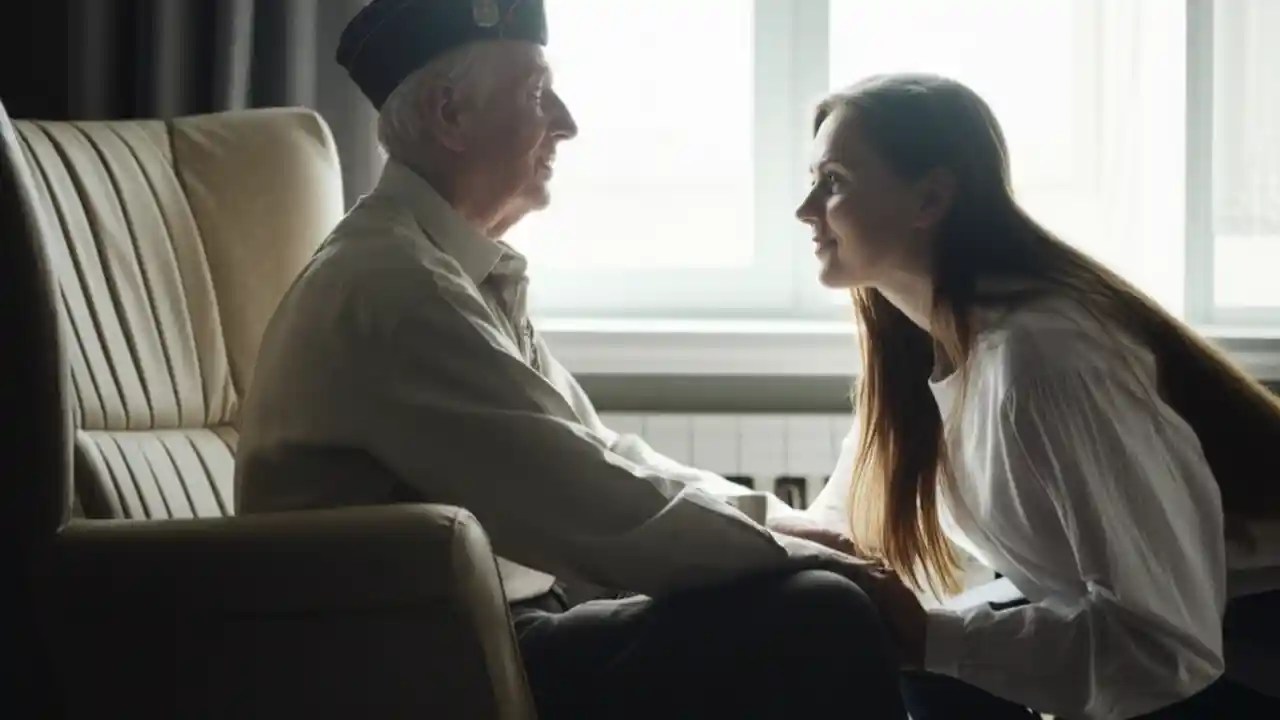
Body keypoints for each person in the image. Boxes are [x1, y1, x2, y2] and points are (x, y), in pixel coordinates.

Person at [235, 1, 905, 717]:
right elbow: (594, 502)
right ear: (448, 115)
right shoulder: (395, 290)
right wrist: (807, 555)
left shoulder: (437, 264)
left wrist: (782, 524)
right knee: (822, 612)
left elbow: (601, 454)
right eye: (535, 93)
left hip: (489, 634)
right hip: (422, 665)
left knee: (813, 595)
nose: (566, 121)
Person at [796, 73, 1280, 719]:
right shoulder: (922, 350)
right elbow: (843, 526)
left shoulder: (1044, 362)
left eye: (834, 183)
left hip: (1245, 648)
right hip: (1199, 636)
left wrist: (931, 639)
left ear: (930, 198)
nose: (805, 210)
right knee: (934, 660)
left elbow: (1168, 649)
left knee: (941, 656)